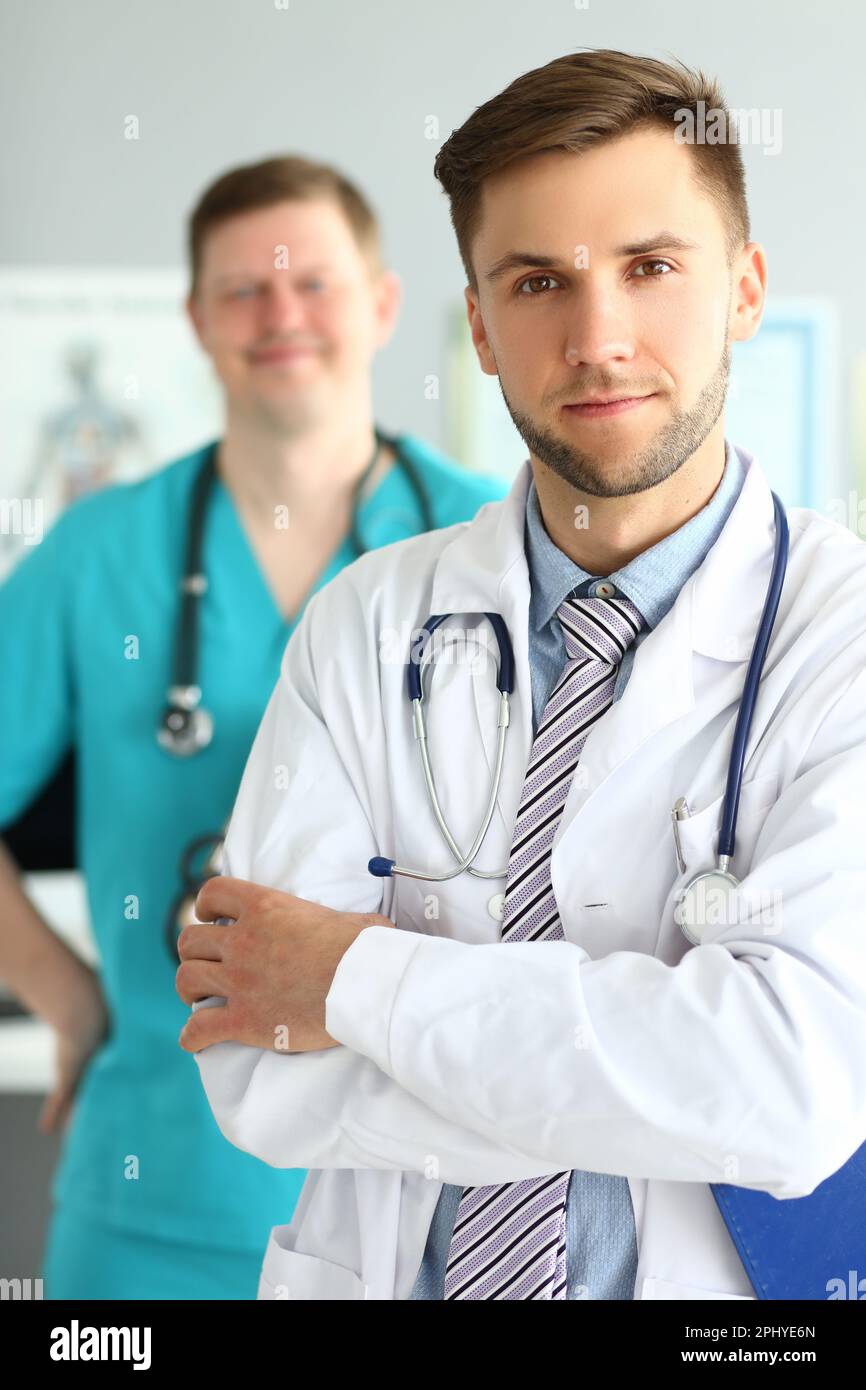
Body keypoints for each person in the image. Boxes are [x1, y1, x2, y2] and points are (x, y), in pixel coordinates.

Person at [178, 52, 866, 1301]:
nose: (596, 338)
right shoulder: (361, 627)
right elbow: (257, 1072)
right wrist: (656, 1074)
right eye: (538, 282)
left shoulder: (843, 638)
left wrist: (348, 978)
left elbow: (790, 1092)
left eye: (650, 268)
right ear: (481, 329)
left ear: (745, 289)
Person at [0, 154, 507, 1299]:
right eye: (242, 289)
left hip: (431, 1203)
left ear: (380, 303)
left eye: (313, 283)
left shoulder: (493, 545)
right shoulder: (96, 555)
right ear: (196, 320)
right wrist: (67, 995)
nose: (280, 315)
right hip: (154, 1206)